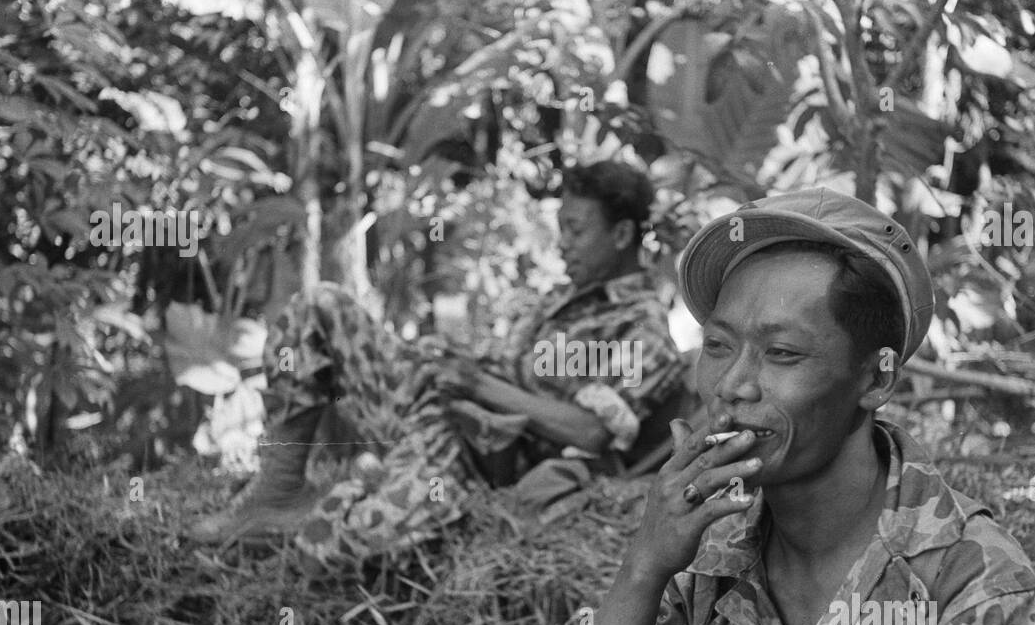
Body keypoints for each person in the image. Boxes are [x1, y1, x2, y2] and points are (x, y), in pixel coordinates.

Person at [540, 187, 1035, 625]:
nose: (733, 386)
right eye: (717, 345)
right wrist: (644, 564)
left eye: (782, 353)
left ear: (875, 378)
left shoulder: (972, 587)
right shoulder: (714, 543)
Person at [187, 160, 686, 564]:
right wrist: (455, 362)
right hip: (432, 397)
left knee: (350, 539)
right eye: (561, 230)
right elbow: (506, 362)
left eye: (576, 231)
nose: (563, 245)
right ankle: (277, 490)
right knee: (318, 307)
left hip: (471, 449)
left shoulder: (641, 329)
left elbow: (591, 432)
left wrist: (477, 385)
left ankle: (335, 512)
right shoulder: (558, 298)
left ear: (622, 236)